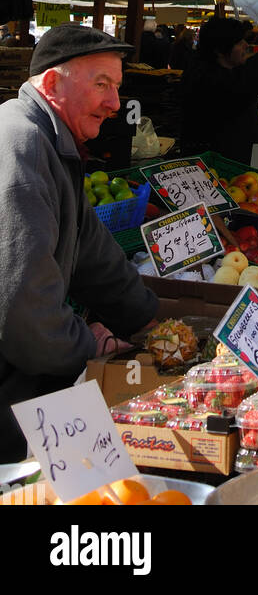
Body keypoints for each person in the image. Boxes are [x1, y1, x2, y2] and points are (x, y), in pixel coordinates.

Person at [0, 26, 158, 462]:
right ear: (52, 84)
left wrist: (148, 321)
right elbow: (23, 311)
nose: (114, 104)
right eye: (101, 85)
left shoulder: (53, 142)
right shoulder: (23, 145)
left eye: (117, 87)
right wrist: (92, 345)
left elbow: (91, 251)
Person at [180, 16, 258, 163]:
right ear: (219, 50)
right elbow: (238, 96)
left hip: (238, 167)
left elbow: (239, 119)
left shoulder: (231, 73)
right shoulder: (205, 78)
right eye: (238, 42)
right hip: (212, 168)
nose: (245, 45)